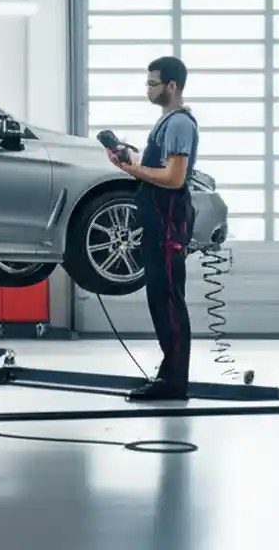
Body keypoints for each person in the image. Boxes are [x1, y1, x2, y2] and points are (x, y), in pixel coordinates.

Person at [107, 56, 199, 402]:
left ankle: (175, 382)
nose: (148, 89)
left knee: (169, 300)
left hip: (168, 218)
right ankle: (170, 375)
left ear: (171, 86)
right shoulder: (165, 123)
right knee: (160, 299)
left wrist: (131, 169)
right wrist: (129, 158)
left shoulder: (179, 124)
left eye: (152, 84)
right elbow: (159, 167)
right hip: (158, 219)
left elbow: (174, 178)